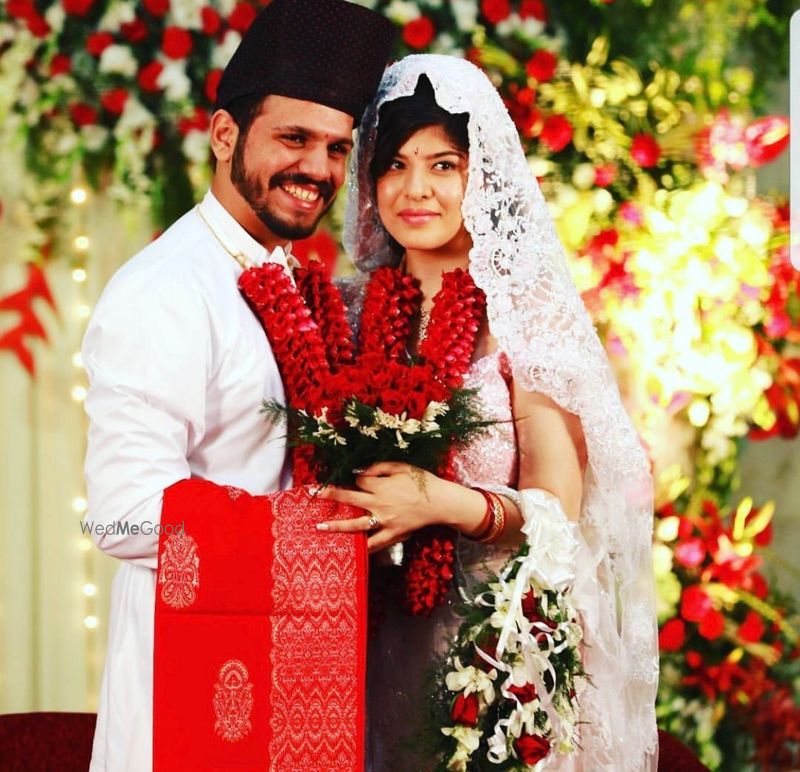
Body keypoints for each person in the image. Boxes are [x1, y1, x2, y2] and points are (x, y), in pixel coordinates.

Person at [319, 55, 659, 771]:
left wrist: (443, 503)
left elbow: (559, 522)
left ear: (485, 176)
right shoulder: (345, 312)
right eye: (396, 165)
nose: (416, 190)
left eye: (444, 165)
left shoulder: (527, 319)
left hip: (491, 661)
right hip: (361, 649)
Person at [80, 1, 394, 769]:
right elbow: (121, 515)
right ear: (225, 135)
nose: (317, 170)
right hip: (191, 678)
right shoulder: (165, 290)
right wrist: (325, 531)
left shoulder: (290, 275)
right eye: (293, 138)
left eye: (335, 149)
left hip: (293, 661)